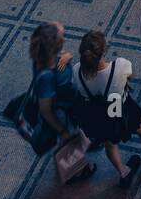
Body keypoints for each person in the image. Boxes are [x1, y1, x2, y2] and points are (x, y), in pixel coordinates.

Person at [73, 30, 141, 188]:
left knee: (110, 144)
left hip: (98, 117)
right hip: (122, 109)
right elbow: (130, 77)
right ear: (103, 52)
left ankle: (124, 172)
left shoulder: (76, 71)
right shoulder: (120, 65)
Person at [28, 21, 95, 184]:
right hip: (63, 115)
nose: (62, 34)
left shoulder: (48, 58)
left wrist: (65, 57)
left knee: (79, 133)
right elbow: (45, 110)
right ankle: (77, 171)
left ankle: (82, 144)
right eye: (61, 38)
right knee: (70, 142)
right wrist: (62, 129)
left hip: (71, 106)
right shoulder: (47, 77)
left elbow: (56, 27)